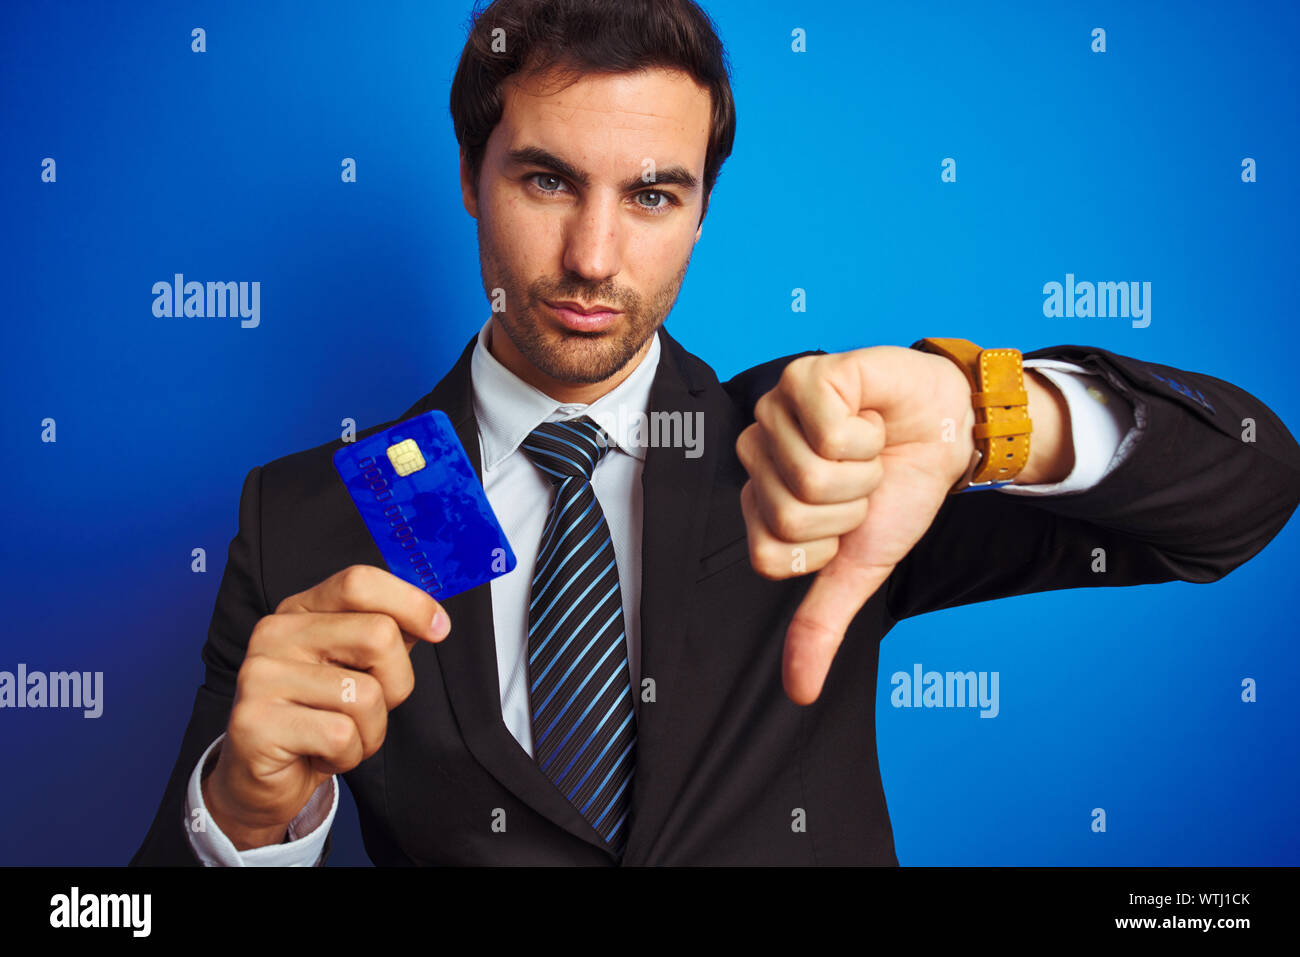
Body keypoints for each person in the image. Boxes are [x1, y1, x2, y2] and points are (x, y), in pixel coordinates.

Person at [131, 0, 1300, 866]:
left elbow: (1247, 487)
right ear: (471, 178)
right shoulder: (308, 513)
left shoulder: (818, 449)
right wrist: (243, 814)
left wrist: (992, 417)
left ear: (699, 211)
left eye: (652, 195)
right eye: (545, 181)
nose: (594, 258)